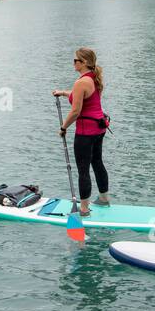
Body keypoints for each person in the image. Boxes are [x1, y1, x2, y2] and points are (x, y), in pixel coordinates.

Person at [52, 48, 110, 217]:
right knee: (97, 162)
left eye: (75, 60)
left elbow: (76, 111)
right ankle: (104, 199)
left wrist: (63, 128)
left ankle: (84, 209)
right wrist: (63, 93)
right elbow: (82, 96)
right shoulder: (94, 78)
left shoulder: (81, 82)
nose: (73, 63)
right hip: (99, 128)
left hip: (86, 132)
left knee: (83, 169)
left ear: (84, 62)